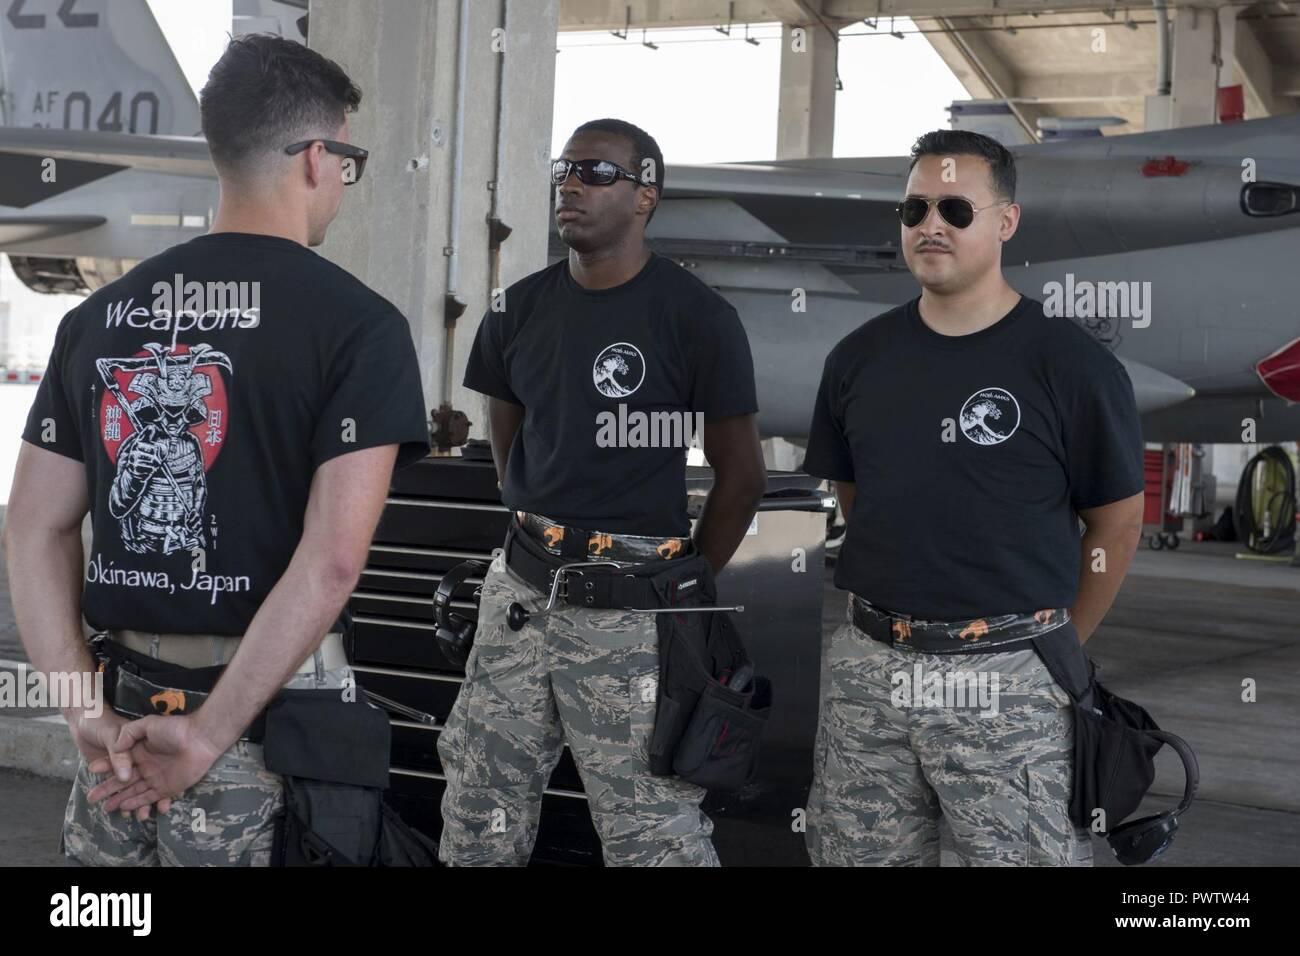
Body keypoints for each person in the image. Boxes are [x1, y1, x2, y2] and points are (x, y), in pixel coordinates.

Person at [5, 33, 430, 866]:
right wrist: (204, 737)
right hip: (262, 729)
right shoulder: (359, 328)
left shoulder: (100, 318)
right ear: (317, 158)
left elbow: (32, 527)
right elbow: (333, 562)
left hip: (118, 725)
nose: (343, 179)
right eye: (349, 158)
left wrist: (80, 709)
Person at [802, 129, 1145, 866]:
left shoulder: (1072, 365)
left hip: (1008, 682)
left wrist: (1051, 648)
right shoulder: (858, 358)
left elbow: (1115, 525)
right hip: (870, 669)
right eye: (915, 207)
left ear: (1006, 222)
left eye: (956, 208)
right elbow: (859, 498)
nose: (931, 224)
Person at [437, 118, 767, 866]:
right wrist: (535, 524)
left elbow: (740, 474)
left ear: (646, 194)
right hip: (520, 593)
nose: (572, 183)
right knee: (479, 803)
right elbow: (507, 435)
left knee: (652, 829)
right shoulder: (515, 308)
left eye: (597, 171)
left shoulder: (697, 318)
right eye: (564, 169)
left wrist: (680, 584)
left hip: (633, 608)